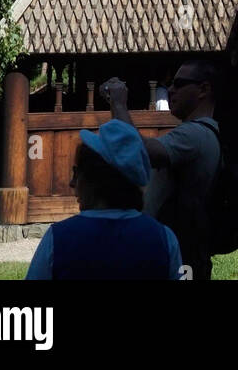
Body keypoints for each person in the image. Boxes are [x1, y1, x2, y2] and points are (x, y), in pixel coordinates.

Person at [102, 61, 222, 281]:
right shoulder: (205, 134)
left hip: (180, 256)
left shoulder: (195, 135)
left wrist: (119, 104)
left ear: (204, 89)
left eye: (179, 83)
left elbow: (139, 151)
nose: (171, 90)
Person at [26, 119, 182, 280]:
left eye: (76, 172)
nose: (72, 184)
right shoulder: (164, 238)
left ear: (93, 178)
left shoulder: (58, 238)